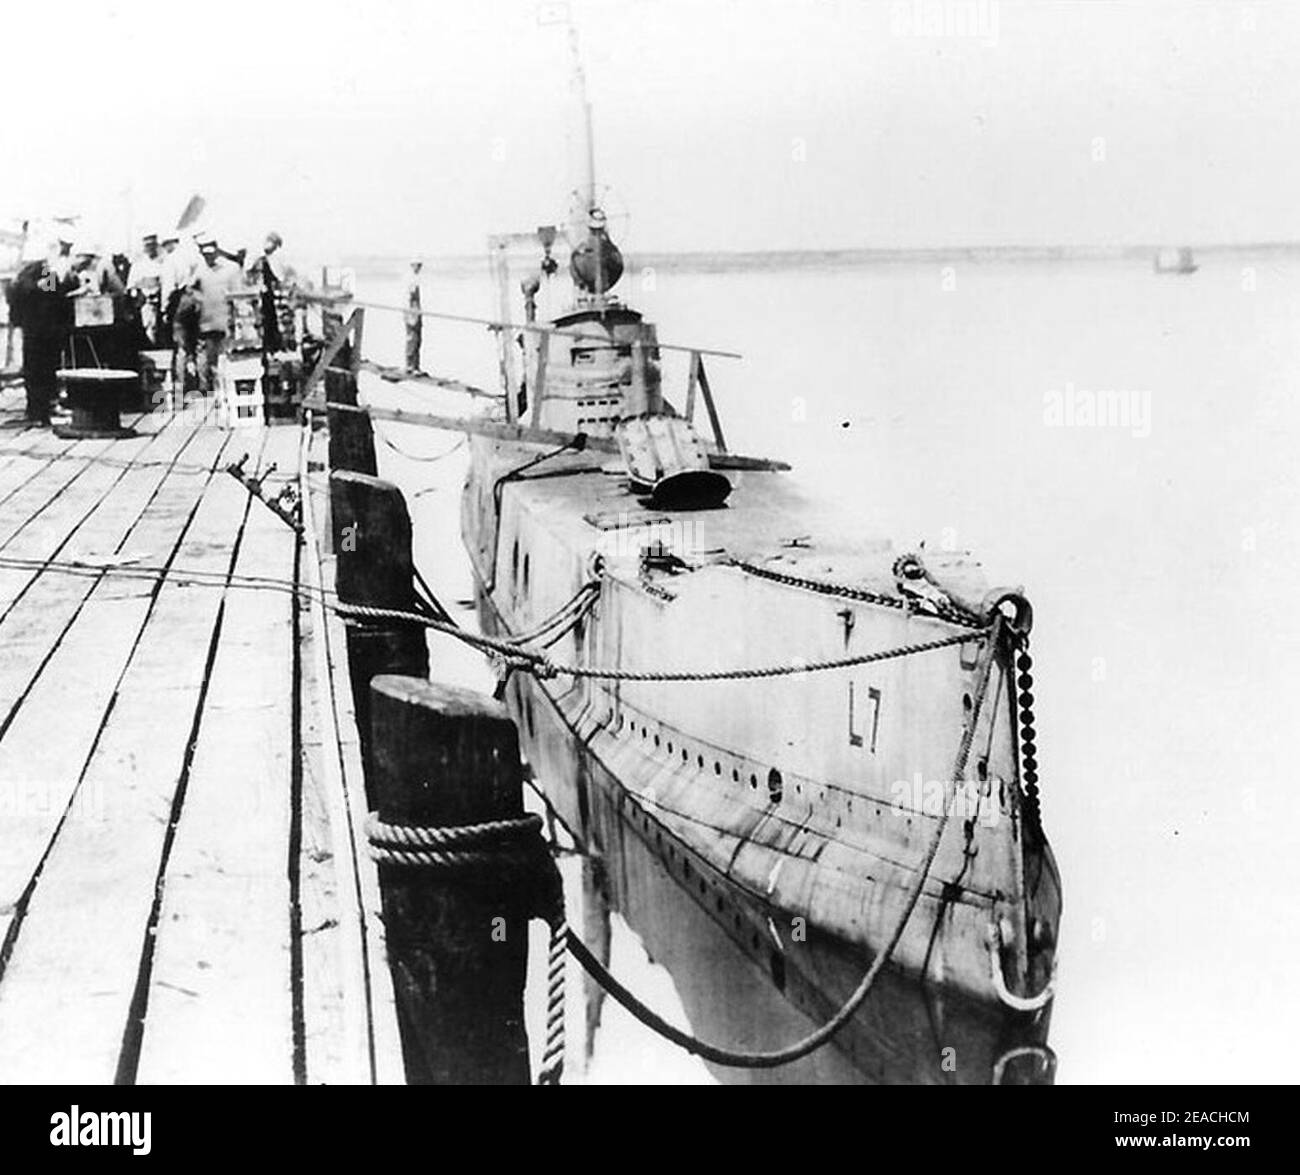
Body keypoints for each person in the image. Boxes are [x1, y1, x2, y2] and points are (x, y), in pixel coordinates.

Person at [7, 241, 78, 423]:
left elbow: (16, 307)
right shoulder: (45, 278)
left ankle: (36, 411)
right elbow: (58, 297)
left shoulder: (18, 283)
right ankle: (43, 410)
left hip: (32, 333)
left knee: (33, 373)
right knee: (45, 372)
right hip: (46, 332)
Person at [189, 234, 243, 393]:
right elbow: (191, 291)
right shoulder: (200, 269)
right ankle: (208, 389)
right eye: (205, 254)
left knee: (222, 355)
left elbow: (238, 295)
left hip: (224, 318)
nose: (208, 257)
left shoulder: (231, 268)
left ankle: (220, 388)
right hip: (208, 319)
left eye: (210, 253)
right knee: (208, 356)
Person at [245, 230, 294, 354]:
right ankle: (267, 349)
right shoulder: (258, 259)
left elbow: (280, 278)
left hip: (271, 297)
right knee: (263, 324)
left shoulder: (274, 260)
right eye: (272, 243)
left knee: (273, 324)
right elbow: (249, 275)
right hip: (260, 297)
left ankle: (275, 347)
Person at [128, 231, 165, 344]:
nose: (150, 248)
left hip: (161, 300)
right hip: (145, 302)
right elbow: (131, 285)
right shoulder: (138, 264)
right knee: (148, 326)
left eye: (152, 245)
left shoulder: (164, 261)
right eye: (147, 245)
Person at [405, 257, 423, 373]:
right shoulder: (410, 278)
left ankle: (415, 365)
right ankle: (410, 366)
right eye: (417, 265)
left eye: (420, 265)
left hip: (416, 311)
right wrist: (412, 313)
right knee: (412, 338)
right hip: (411, 311)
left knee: (417, 339)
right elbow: (410, 298)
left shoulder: (415, 278)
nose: (419, 268)